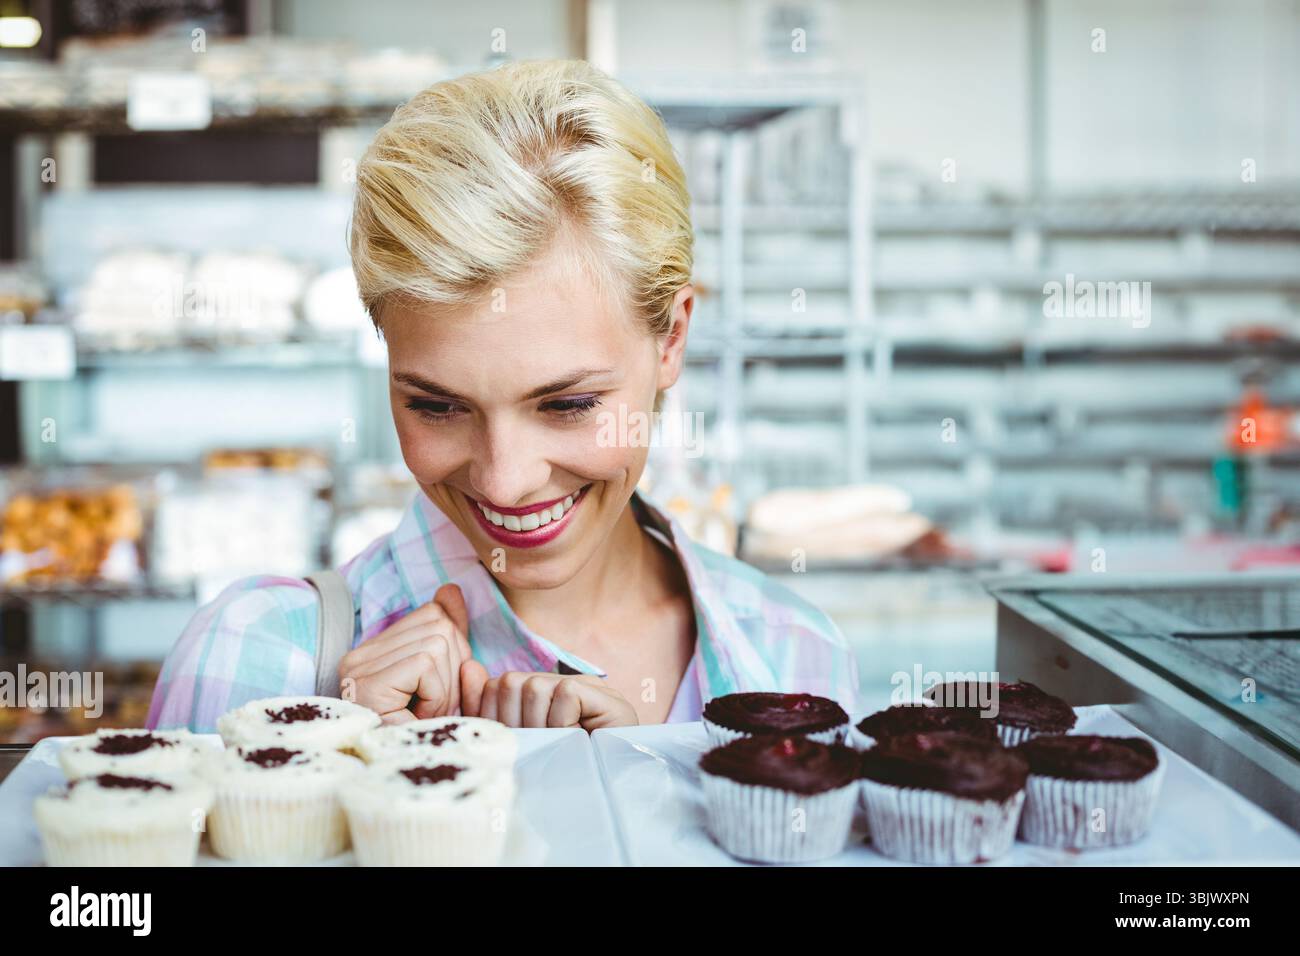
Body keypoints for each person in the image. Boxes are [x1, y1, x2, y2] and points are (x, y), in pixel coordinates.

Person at [147, 59, 859, 733]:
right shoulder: (260, 661)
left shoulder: (799, 656)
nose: (504, 481)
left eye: (567, 405)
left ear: (670, 339)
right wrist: (353, 768)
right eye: (437, 405)